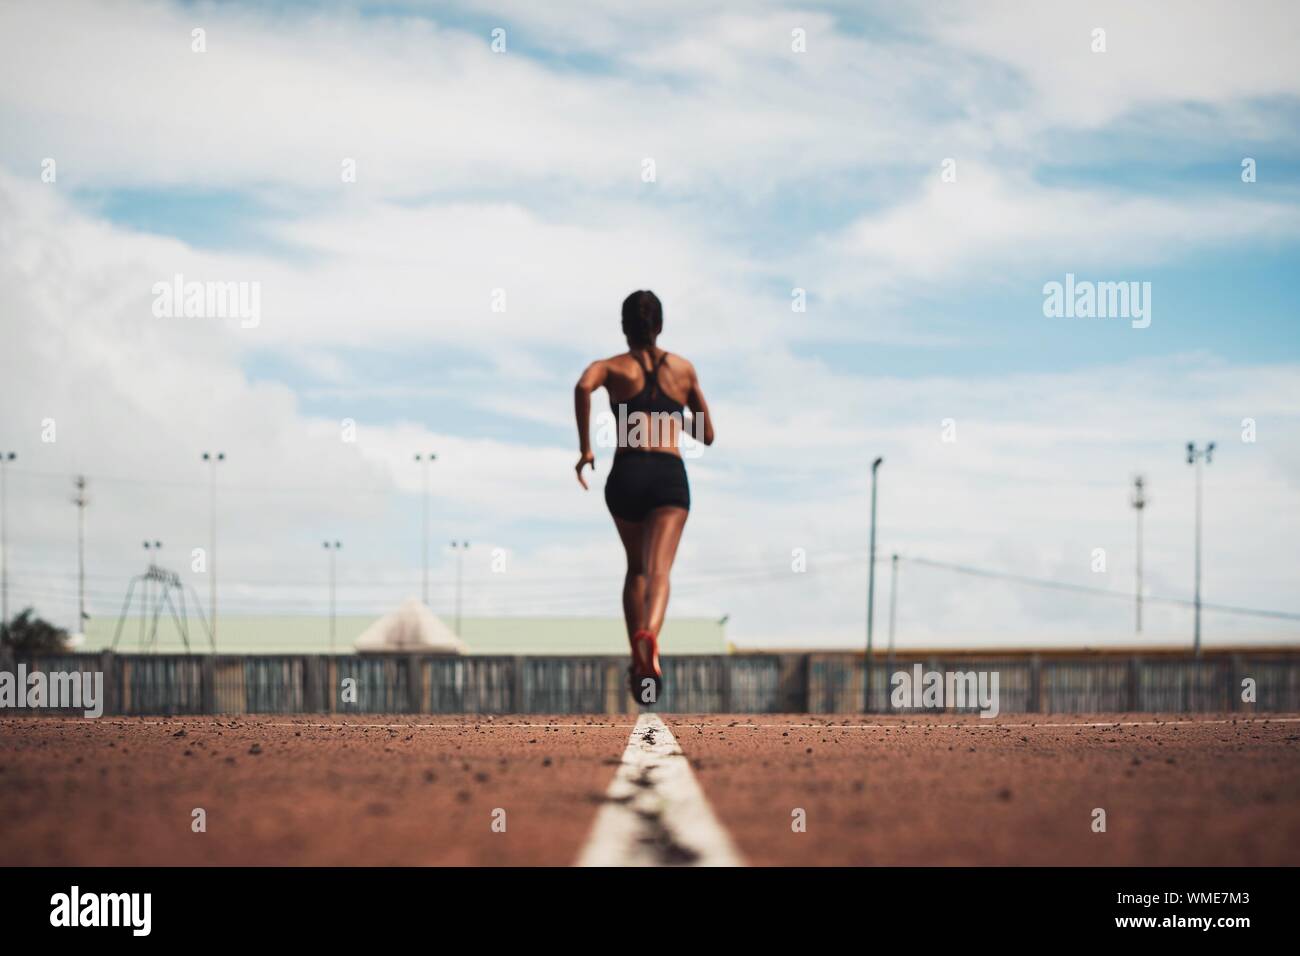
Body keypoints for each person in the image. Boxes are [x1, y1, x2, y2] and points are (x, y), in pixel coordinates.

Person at [573, 290, 714, 704]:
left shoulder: (612, 368)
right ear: (661, 326)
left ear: (624, 327)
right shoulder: (683, 370)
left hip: (627, 472)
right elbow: (707, 433)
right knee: (659, 572)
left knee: (635, 569)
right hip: (668, 475)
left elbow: (583, 387)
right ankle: (650, 634)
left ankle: (638, 659)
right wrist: (672, 415)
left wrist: (585, 448)